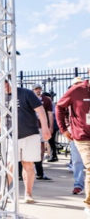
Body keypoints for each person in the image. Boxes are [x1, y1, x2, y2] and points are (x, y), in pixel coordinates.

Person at [3, 80, 51, 204]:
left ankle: (28, 194)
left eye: (6, 83)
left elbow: (40, 110)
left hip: (30, 134)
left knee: (28, 164)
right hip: (11, 136)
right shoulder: (0, 97)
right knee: (10, 165)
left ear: (10, 82)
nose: (4, 86)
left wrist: (45, 128)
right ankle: (3, 192)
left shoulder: (26, 93)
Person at [56, 77, 90, 216]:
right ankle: (88, 204)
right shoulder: (76, 90)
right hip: (82, 137)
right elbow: (59, 107)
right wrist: (63, 129)